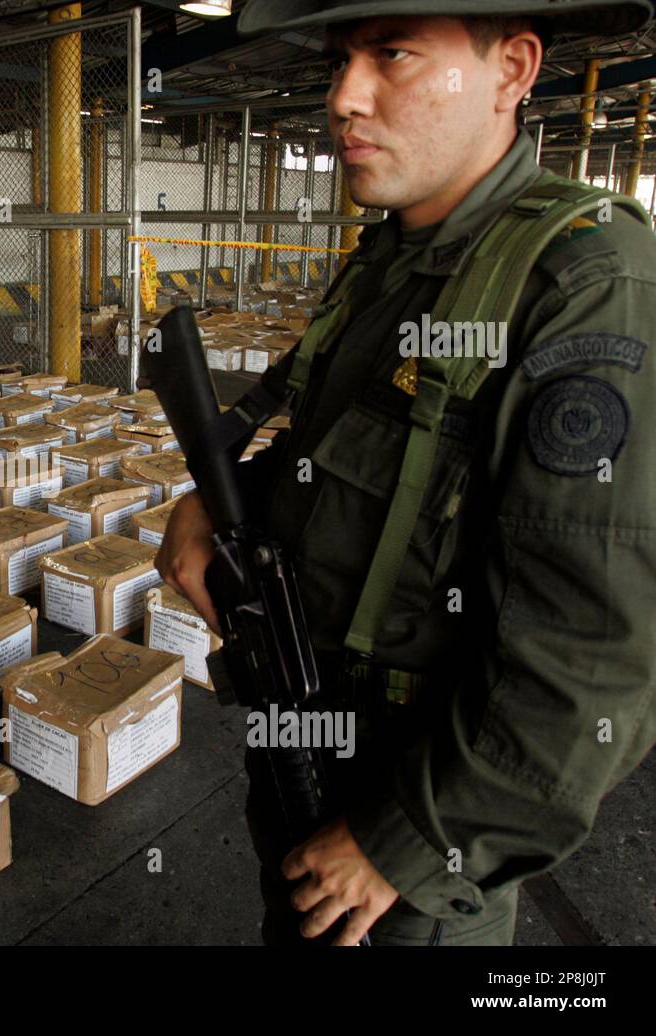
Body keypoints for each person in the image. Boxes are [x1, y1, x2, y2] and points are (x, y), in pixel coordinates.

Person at [156, 0, 656, 946]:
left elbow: (593, 663)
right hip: (308, 756)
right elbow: (353, 472)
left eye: (393, 55)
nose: (344, 96)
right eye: (343, 59)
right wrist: (216, 506)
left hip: (410, 854)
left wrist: (407, 838)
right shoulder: (394, 258)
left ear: (510, 69)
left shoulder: (589, 289)